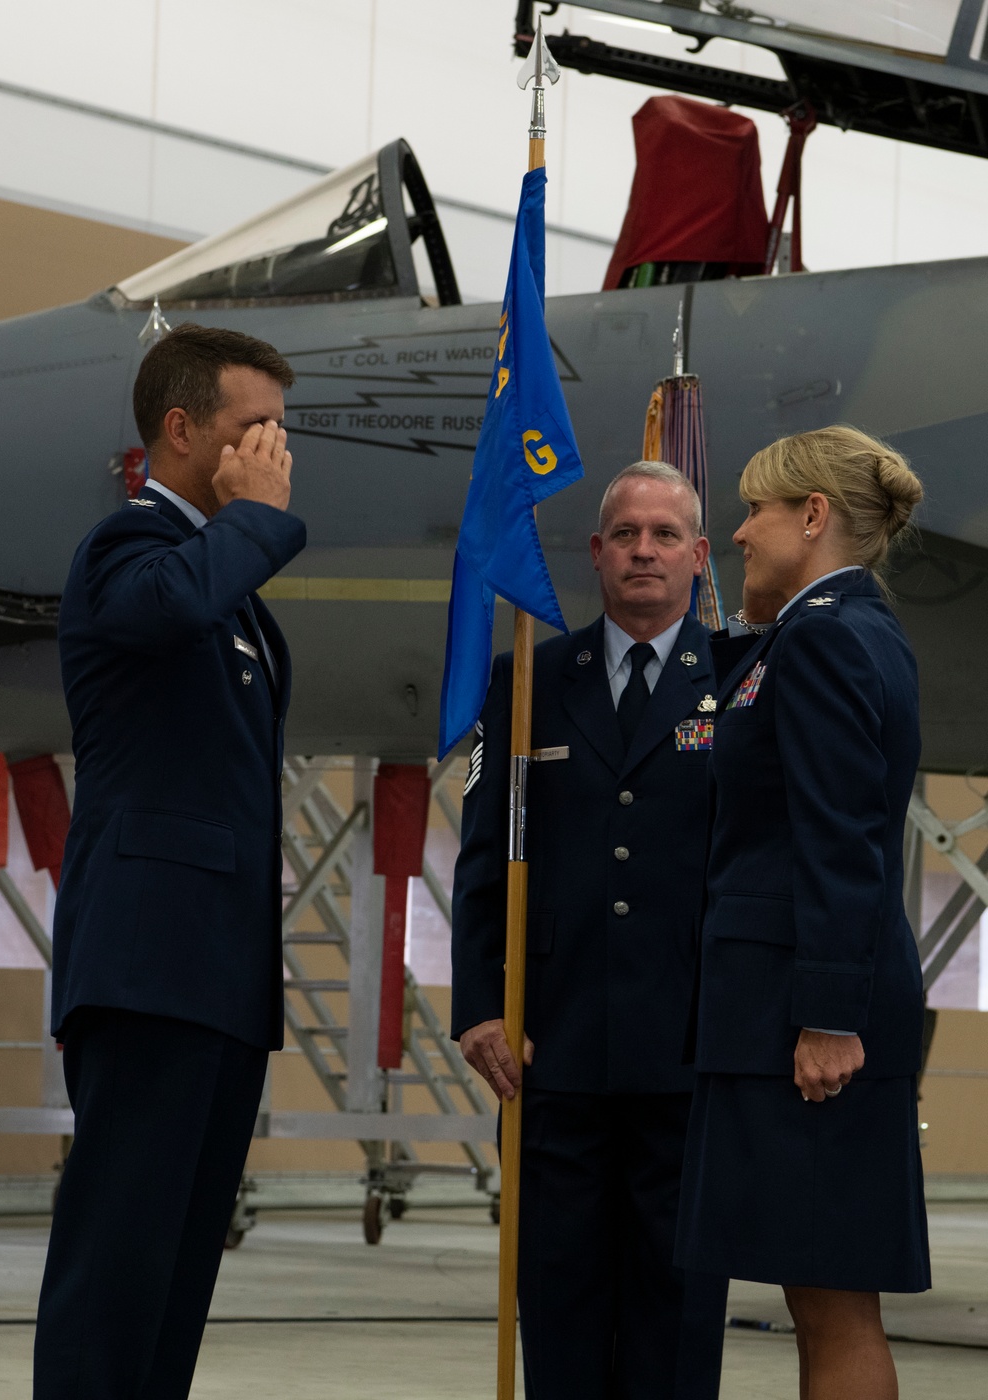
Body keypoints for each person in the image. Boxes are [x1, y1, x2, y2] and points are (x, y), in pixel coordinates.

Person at [33, 323, 306, 1400]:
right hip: (148, 967)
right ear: (181, 431)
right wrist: (259, 521)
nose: (278, 453)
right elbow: (166, 606)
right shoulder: (128, 550)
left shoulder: (224, 587)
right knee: (117, 1261)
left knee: (176, 1269)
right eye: (255, 429)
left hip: (218, 976)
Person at [452, 461, 729, 1400]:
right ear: (596, 551)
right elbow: (484, 860)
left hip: (689, 1058)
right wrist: (481, 1007)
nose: (643, 551)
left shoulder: (736, 684)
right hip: (552, 1055)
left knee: (679, 1315)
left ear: (697, 555)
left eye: (664, 535)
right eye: (626, 534)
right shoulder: (526, 680)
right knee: (560, 1308)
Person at [676, 425, 930, 1400]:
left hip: (807, 1011)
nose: (739, 531)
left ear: (812, 515)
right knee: (816, 1292)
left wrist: (828, 1014)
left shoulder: (823, 637)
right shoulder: (837, 628)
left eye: (755, 509)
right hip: (793, 997)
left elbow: (838, 833)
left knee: (830, 1301)